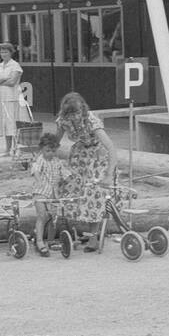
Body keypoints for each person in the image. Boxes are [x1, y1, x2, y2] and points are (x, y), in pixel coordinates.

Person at [56, 90, 118, 251]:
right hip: (79, 155)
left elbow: (110, 147)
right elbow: (55, 141)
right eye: (71, 114)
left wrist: (109, 174)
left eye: (77, 113)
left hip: (97, 155)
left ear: (82, 109)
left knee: (93, 193)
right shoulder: (63, 121)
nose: (74, 117)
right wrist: (45, 157)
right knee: (70, 189)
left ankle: (93, 237)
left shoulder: (91, 120)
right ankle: (83, 231)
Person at [29, 131, 66, 256]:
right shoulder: (40, 159)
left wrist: (69, 178)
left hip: (54, 193)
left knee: (53, 217)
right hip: (40, 192)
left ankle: (50, 240)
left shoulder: (57, 161)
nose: (51, 154)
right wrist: (38, 179)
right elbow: (35, 170)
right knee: (42, 215)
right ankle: (39, 241)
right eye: (48, 151)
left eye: (53, 151)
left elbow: (64, 173)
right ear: (42, 149)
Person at [0, 42, 28, 155]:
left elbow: (12, 82)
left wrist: (0, 80)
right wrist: (5, 77)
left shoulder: (15, 65)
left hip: (13, 96)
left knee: (14, 121)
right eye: (2, 52)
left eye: (6, 51)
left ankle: (17, 148)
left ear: (11, 52)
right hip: (1, 96)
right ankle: (7, 149)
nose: (3, 54)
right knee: (5, 122)